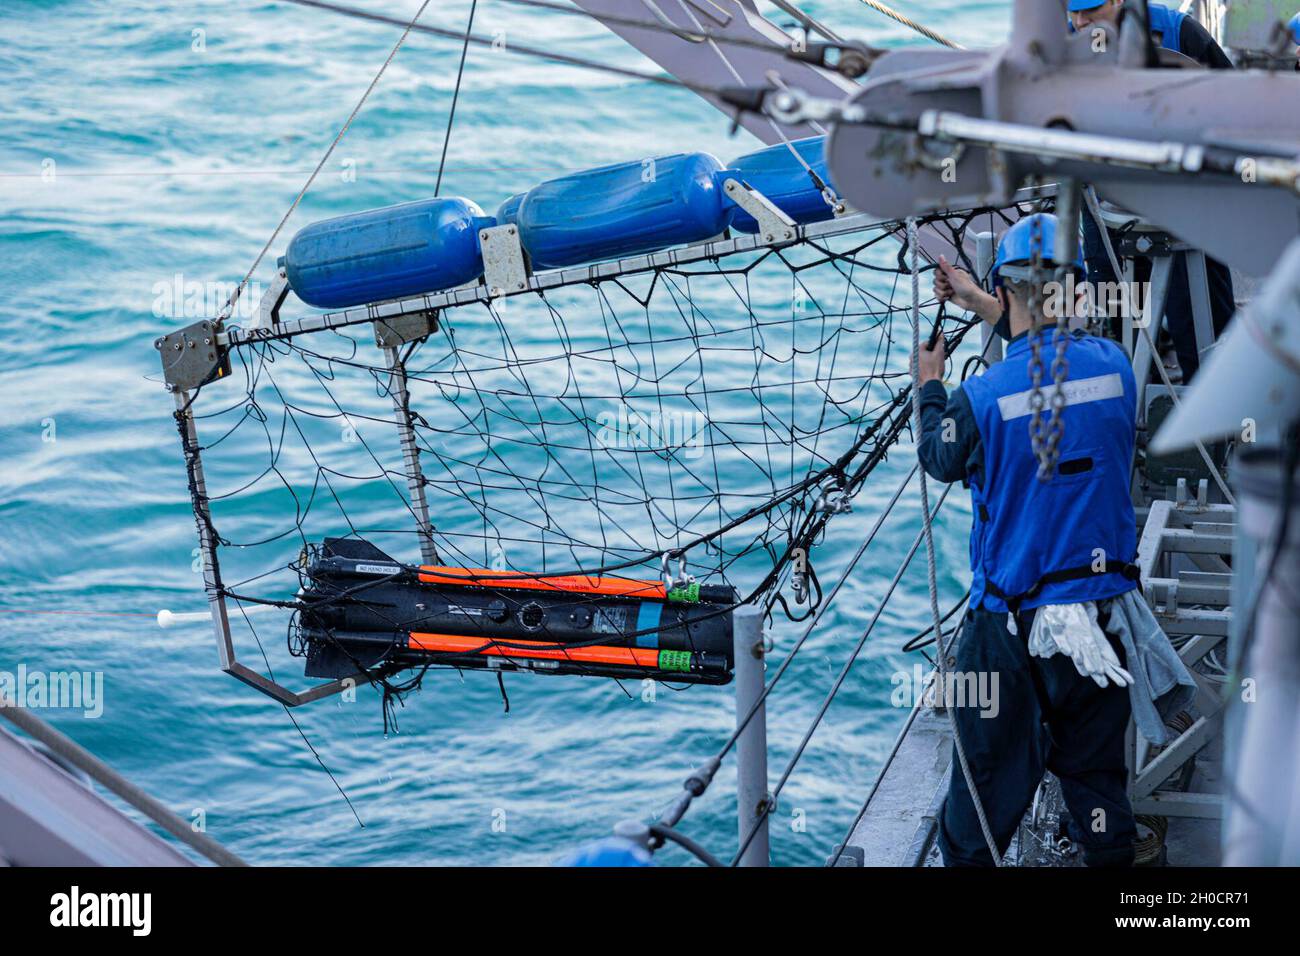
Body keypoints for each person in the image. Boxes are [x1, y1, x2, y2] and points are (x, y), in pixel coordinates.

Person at [918, 213, 1141, 867]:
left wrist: (930, 384)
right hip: (1100, 623)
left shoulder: (979, 398)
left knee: (978, 804)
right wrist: (982, 303)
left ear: (1006, 289)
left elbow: (940, 456)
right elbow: (1044, 353)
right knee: (1098, 788)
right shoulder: (1117, 371)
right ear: (1073, 290)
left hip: (1006, 637)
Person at [1069, 0, 1236, 382]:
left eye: (1090, 9)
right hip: (1104, 210)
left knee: (1201, 322)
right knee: (1117, 326)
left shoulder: (1180, 34)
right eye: (1071, 10)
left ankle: (1220, 421)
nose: (1079, 21)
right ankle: (1137, 412)